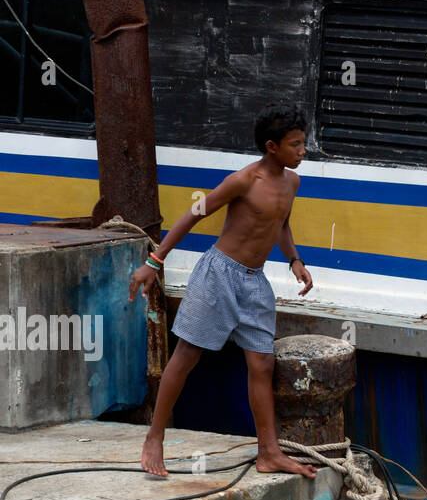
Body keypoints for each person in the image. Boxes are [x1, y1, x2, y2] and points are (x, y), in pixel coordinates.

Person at [128, 105, 318, 478]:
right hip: (218, 275)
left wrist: (294, 259)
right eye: (295, 144)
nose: (303, 150)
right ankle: (154, 437)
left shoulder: (292, 182)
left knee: (262, 364)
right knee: (186, 354)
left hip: (254, 282)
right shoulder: (243, 181)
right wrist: (155, 261)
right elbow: (194, 214)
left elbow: (280, 223)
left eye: (303, 142)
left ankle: (269, 453)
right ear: (271, 146)